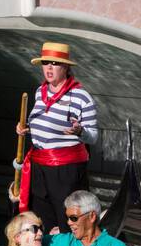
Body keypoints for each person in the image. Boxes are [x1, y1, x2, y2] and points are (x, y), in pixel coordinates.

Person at [12, 42, 98, 234]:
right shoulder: (39, 92)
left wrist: (79, 132)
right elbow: (41, 124)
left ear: (65, 67)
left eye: (54, 63)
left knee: (67, 220)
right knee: (42, 219)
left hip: (66, 171)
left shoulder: (81, 97)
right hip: (39, 167)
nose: (49, 68)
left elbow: (93, 137)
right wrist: (24, 129)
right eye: (46, 63)